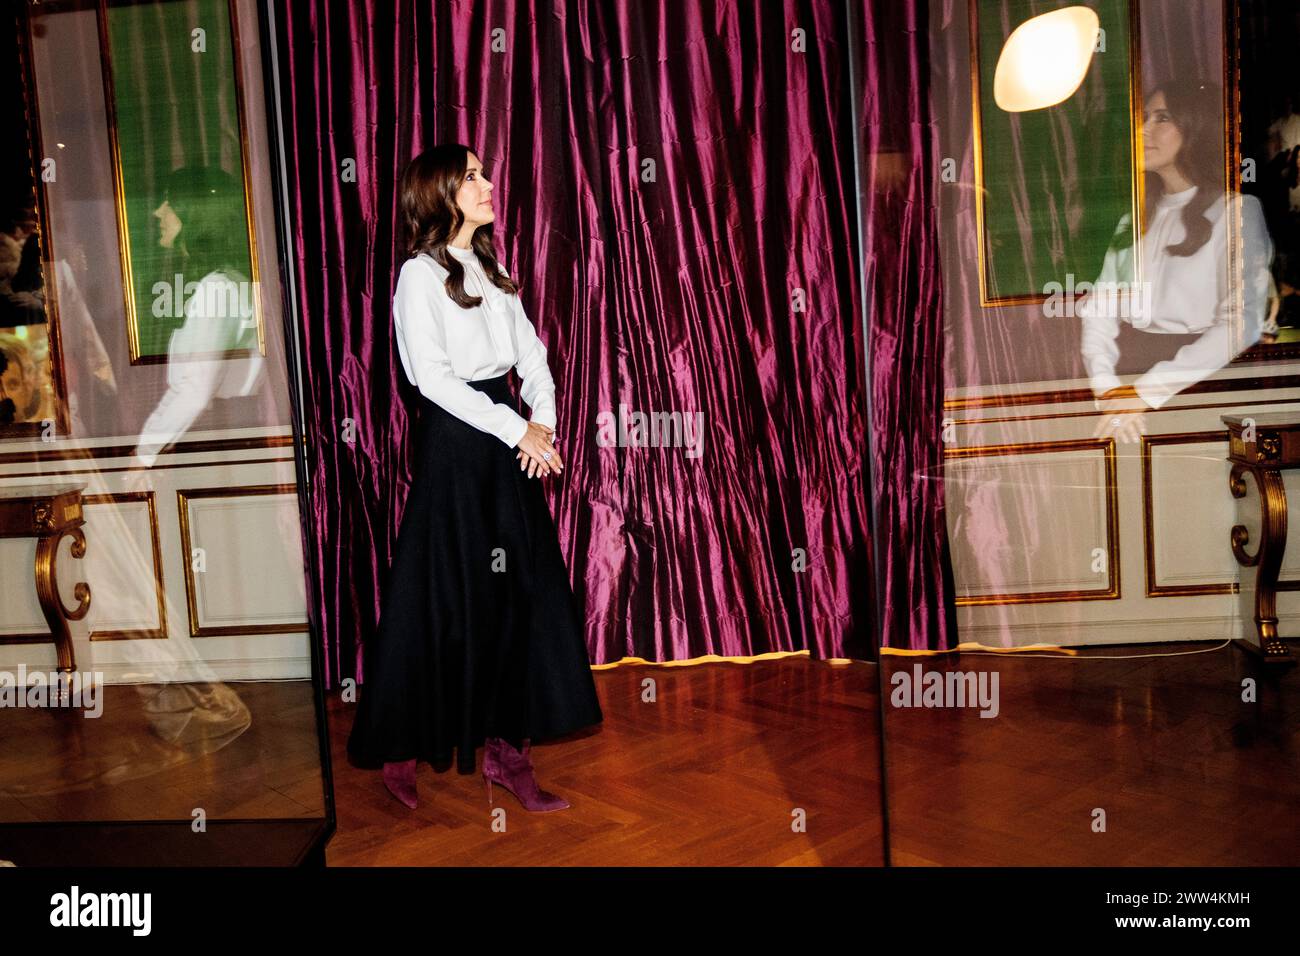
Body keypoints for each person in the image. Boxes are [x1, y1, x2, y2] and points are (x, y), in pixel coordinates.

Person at [346, 144, 603, 812]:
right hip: (457, 449)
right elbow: (431, 380)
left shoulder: (491, 265)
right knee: (444, 601)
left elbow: (534, 357)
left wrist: (539, 420)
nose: (488, 183)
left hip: (507, 447)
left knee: (517, 598)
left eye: (484, 172)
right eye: (472, 176)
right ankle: (405, 743)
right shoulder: (416, 277)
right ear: (441, 194)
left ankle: (505, 751)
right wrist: (520, 429)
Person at [1080, 80, 1274, 444]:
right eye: (1144, 117)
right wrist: (1107, 389)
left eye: (1162, 118)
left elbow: (1241, 324)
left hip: (1198, 392)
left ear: (1195, 128)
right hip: (1126, 390)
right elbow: (1099, 309)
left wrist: (1144, 393)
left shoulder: (1237, 213)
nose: (1143, 129)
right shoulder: (1132, 219)